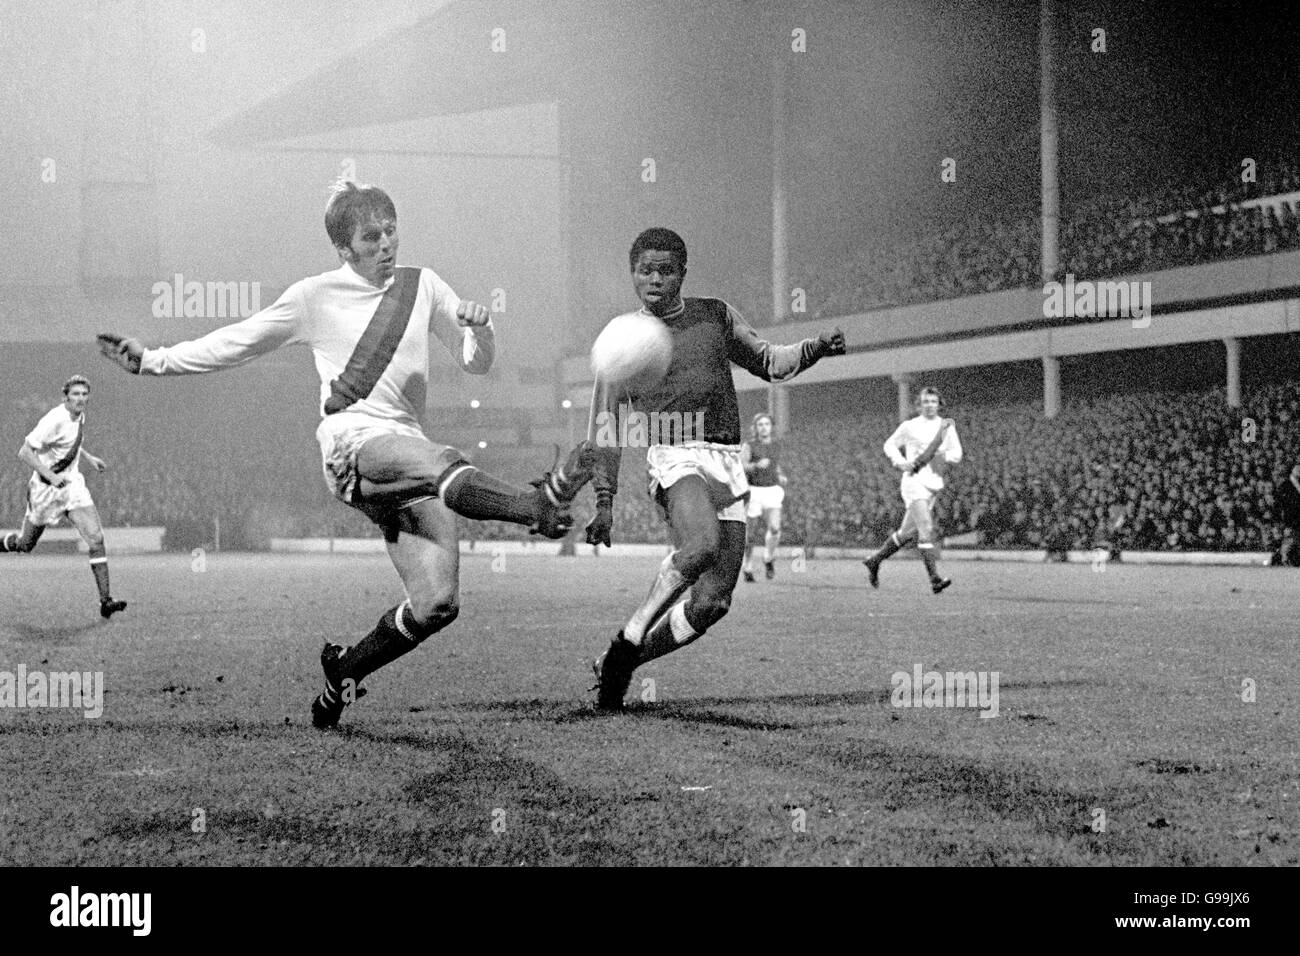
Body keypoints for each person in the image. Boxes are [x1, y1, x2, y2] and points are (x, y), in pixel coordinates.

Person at [98, 180, 591, 728]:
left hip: (405, 456)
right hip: (352, 445)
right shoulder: (313, 296)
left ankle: (343, 677)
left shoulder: (421, 285)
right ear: (344, 248)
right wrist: (152, 361)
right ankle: (536, 504)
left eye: (391, 230)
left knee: (437, 605)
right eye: (371, 236)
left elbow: (475, 362)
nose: (386, 244)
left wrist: (484, 329)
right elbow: (239, 341)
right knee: (439, 458)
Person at [584, 227, 845, 711]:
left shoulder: (715, 315)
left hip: (727, 461)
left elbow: (768, 360)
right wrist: (605, 499)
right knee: (700, 546)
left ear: (683, 273)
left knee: (712, 604)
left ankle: (619, 662)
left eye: (666, 270)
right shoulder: (620, 340)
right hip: (673, 455)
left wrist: (814, 347)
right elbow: (605, 427)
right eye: (645, 270)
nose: (655, 279)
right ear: (632, 274)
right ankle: (630, 635)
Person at [0, 375, 128, 619]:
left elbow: (69, 443)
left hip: (72, 487)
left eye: (84, 394)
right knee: (25, 544)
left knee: (96, 538)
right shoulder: (54, 419)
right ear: (65, 397)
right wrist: (51, 475)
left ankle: (106, 601)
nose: (80, 399)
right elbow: (24, 452)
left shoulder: (79, 416)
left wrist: (89, 458)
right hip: (45, 491)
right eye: (75, 394)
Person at [862, 387, 963, 594]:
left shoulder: (946, 427)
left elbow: (957, 453)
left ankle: (874, 560)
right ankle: (935, 579)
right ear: (918, 405)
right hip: (913, 482)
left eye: (933, 401)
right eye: (925, 402)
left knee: (906, 533)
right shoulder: (909, 426)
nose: (929, 405)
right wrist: (900, 462)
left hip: (933, 485)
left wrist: (943, 457)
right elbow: (889, 445)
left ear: (939, 404)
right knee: (926, 529)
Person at [740, 412, 786, 582]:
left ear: (771, 427)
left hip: (772, 490)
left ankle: (768, 558)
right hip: (754, 491)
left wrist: (780, 474)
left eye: (766, 424)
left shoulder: (776, 445)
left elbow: (776, 464)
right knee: (750, 535)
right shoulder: (749, 445)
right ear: (756, 428)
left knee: (775, 528)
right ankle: (748, 566)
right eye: (760, 424)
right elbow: (742, 465)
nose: (764, 427)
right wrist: (755, 465)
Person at [1274, 463, 1300, 566]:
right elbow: (1281, 505)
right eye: (1297, 468)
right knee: (1289, 541)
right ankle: (1283, 559)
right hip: (1290, 520)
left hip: (1297, 520)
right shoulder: (1285, 486)